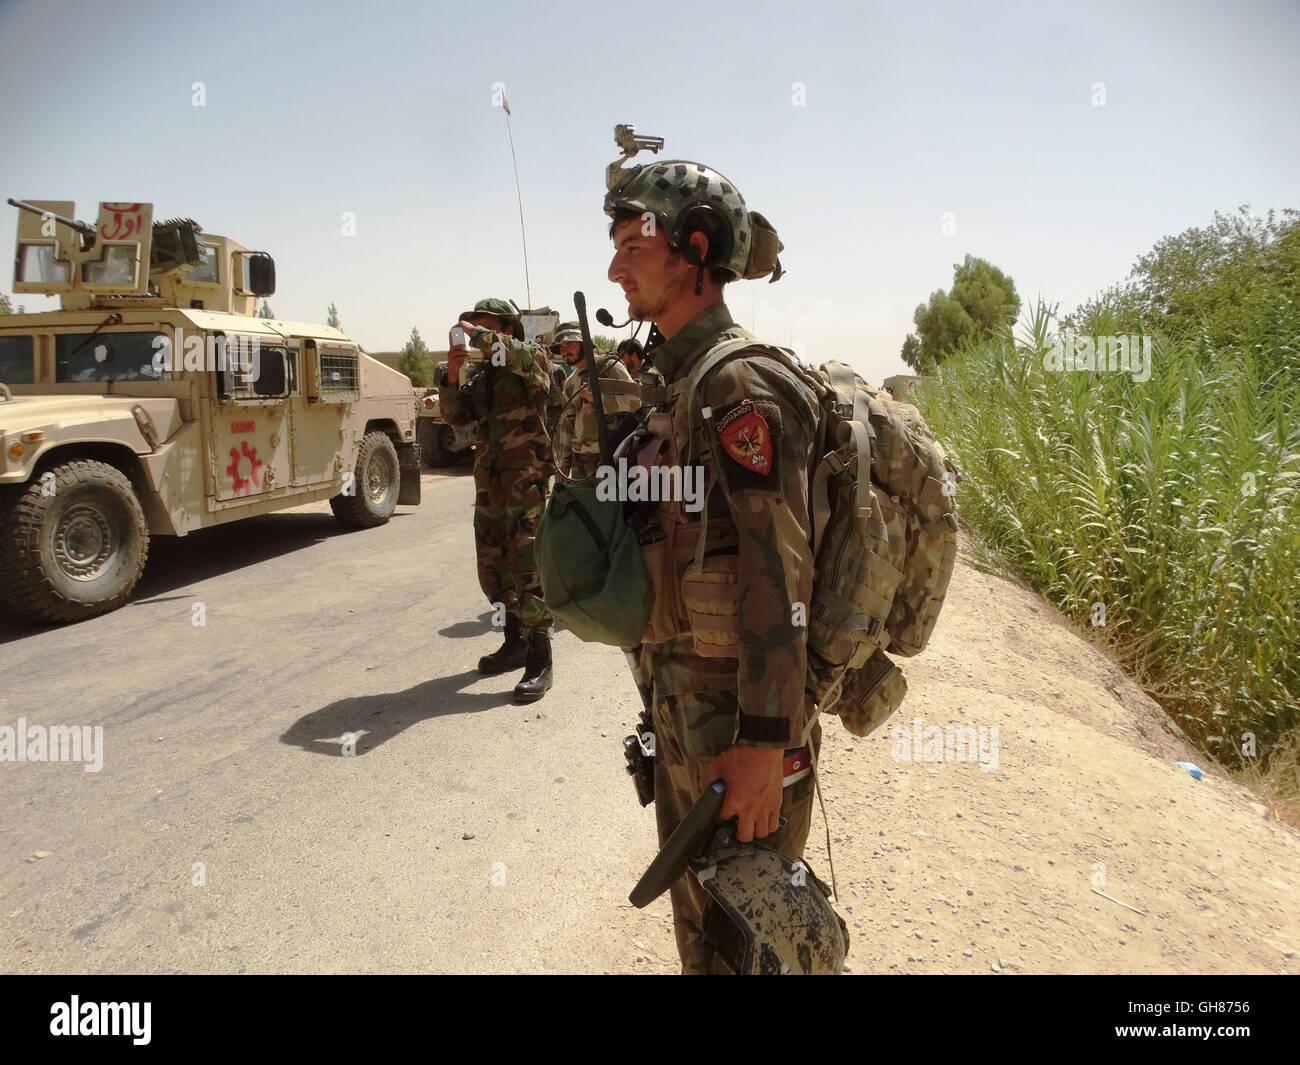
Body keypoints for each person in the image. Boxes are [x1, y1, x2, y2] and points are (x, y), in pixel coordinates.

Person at [603, 155, 831, 972]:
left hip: (739, 732)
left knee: (751, 952)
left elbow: (781, 572)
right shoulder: (677, 384)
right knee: (706, 944)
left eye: (635, 240)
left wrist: (766, 743)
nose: (615, 264)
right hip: (687, 720)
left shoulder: (737, 383)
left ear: (695, 248)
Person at [436, 297, 554, 702]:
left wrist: (479, 336)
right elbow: (456, 416)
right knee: (493, 565)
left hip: (527, 482)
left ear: (508, 329)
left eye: (487, 328)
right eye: (473, 328)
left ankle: (541, 656)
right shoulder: (482, 377)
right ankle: (514, 642)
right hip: (490, 483)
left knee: (528, 564)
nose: (477, 336)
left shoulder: (532, 361)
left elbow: (526, 358)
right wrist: (452, 375)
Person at [550, 322, 641, 482]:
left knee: (606, 505)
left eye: (569, 344)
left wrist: (599, 401)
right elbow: (567, 423)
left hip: (607, 453)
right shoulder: (571, 382)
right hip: (580, 458)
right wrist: (565, 463)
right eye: (561, 347)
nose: (565, 351)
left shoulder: (609, 367)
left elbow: (635, 402)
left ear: (584, 343)